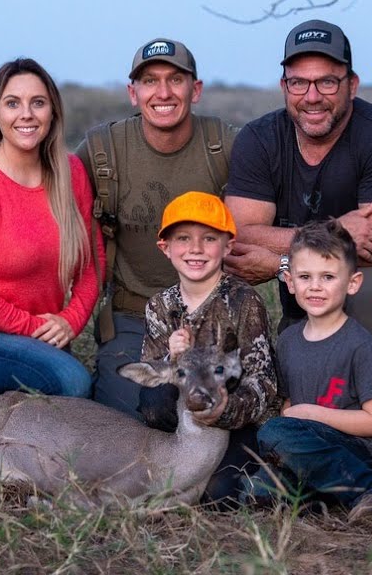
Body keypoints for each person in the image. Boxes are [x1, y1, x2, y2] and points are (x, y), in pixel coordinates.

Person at [223, 19, 372, 437]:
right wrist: (335, 231)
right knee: (296, 351)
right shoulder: (258, 138)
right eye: (298, 83)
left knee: (366, 294)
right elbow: (242, 235)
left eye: (326, 82)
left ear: (351, 84)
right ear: (283, 86)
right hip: (305, 277)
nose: (312, 97)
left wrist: (282, 259)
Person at [75, 37, 239, 419]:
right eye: (149, 81)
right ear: (133, 93)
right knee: (123, 421)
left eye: (175, 80)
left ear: (195, 90)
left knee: (223, 413)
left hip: (213, 313)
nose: (163, 92)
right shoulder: (103, 151)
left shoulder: (226, 146)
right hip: (134, 314)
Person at [0, 57, 103, 399]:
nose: (26, 114)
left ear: (52, 112)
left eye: (37, 103)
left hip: (41, 340)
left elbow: (92, 263)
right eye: (13, 103)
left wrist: (71, 320)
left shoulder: (71, 173)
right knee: (73, 383)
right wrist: (34, 328)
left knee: (91, 391)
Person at [139, 191, 278, 507]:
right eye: (183, 238)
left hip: (234, 420)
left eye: (209, 239)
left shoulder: (244, 302)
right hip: (180, 421)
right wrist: (170, 360)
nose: (196, 249)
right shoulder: (160, 306)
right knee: (154, 397)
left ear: (228, 246)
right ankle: (176, 459)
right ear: (166, 248)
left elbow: (263, 382)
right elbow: (148, 372)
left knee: (218, 496)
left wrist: (225, 411)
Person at [252, 219, 372, 520]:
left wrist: (310, 413)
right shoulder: (289, 341)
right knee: (255, 490)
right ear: (289, 282)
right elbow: (290, 405)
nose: (315, 286)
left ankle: (370, 488)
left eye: (328, 276)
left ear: (352, 282)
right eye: (305, 276)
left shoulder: (359, 344)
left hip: (357, 449)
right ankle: (326, 492)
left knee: (275, 431)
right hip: (310, 444)